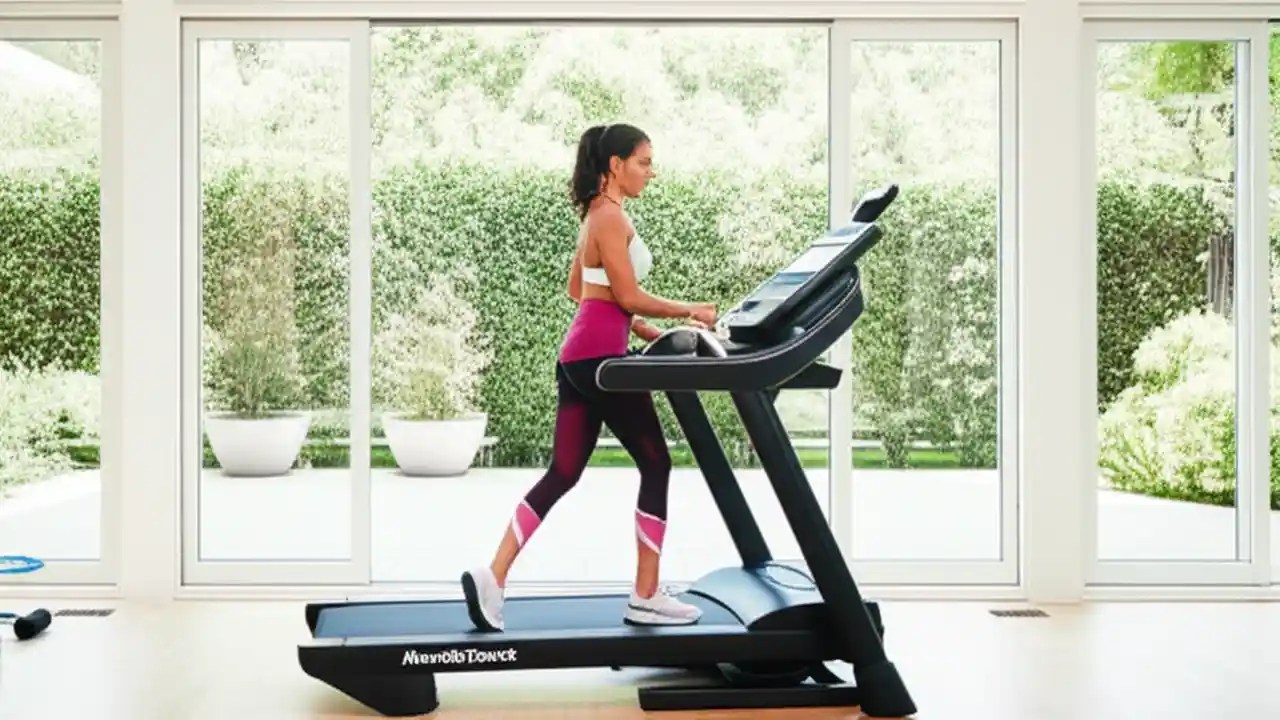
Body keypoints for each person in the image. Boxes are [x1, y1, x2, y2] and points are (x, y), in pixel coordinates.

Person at [461, 123, 718, 632]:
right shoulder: (611, 218)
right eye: (643, 162)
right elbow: (624, 296)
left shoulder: (594, 218)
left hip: (579, 357)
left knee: (563, 473)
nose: (650, 171)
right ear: (616, 165)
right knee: (656, 462)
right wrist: (692, 310)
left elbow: (581, 288)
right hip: (602, 364)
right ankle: (645, 595)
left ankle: (493, 576)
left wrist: (641, 327)